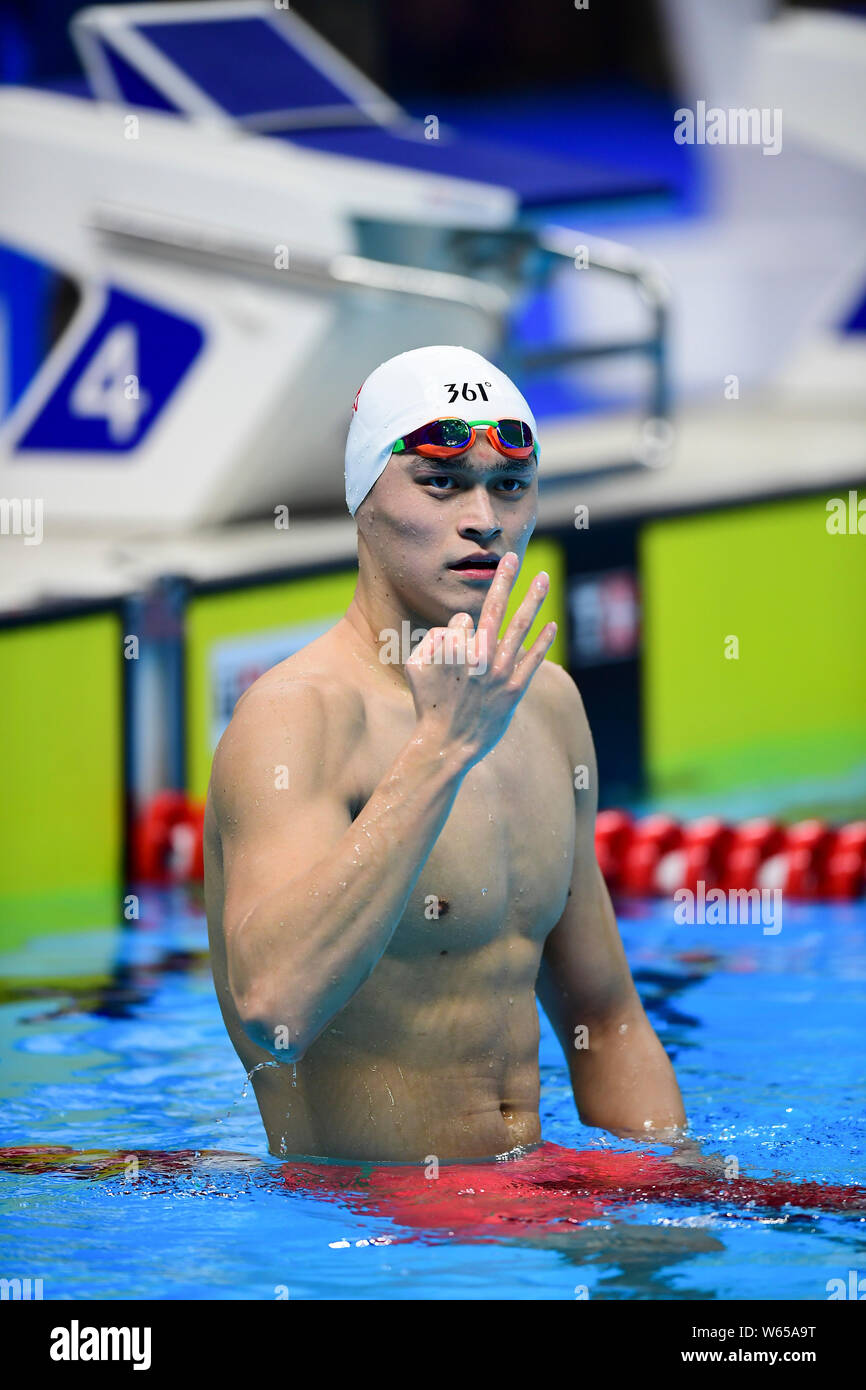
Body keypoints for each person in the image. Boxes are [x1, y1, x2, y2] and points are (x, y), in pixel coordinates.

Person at [203, 345, 686, 1163]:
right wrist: (443, 747)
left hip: (522, 1212)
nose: (483, 520)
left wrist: (674, 1199)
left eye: (509, 485)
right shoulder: (297, 716)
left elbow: (605, 1018)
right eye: (441, 483)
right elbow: (274, 1010)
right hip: (371, 1240)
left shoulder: (546, 703)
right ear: (363, 499)